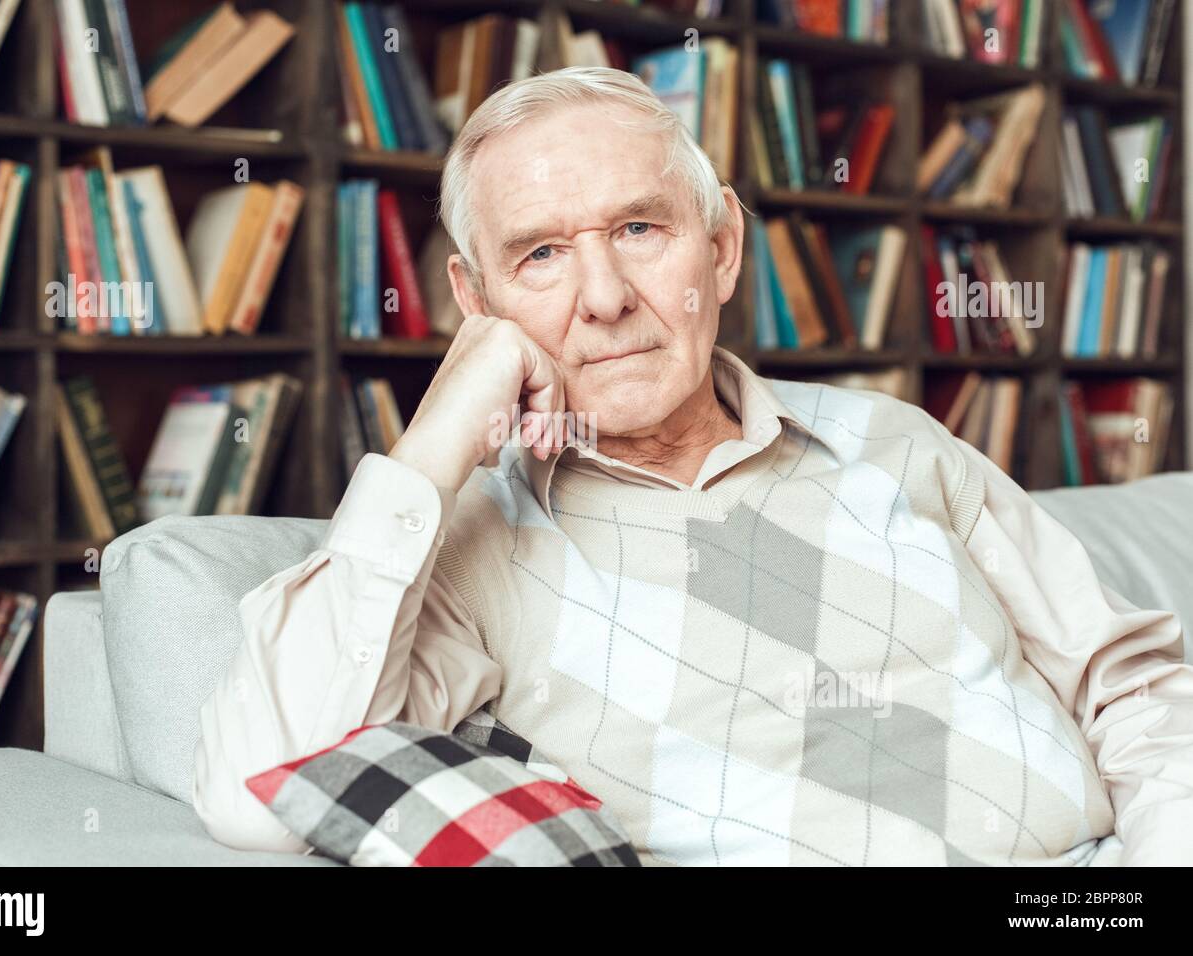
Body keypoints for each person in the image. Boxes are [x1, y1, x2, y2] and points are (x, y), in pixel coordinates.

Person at [193, 67, 1193, 865]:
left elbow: (1131, 683)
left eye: (638, 229)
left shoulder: (894, 440)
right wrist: (436, 437)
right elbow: (268, 779)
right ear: (476, 294)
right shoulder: (465, 544)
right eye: (539, 254)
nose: (603, 297)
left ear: (719, 248)